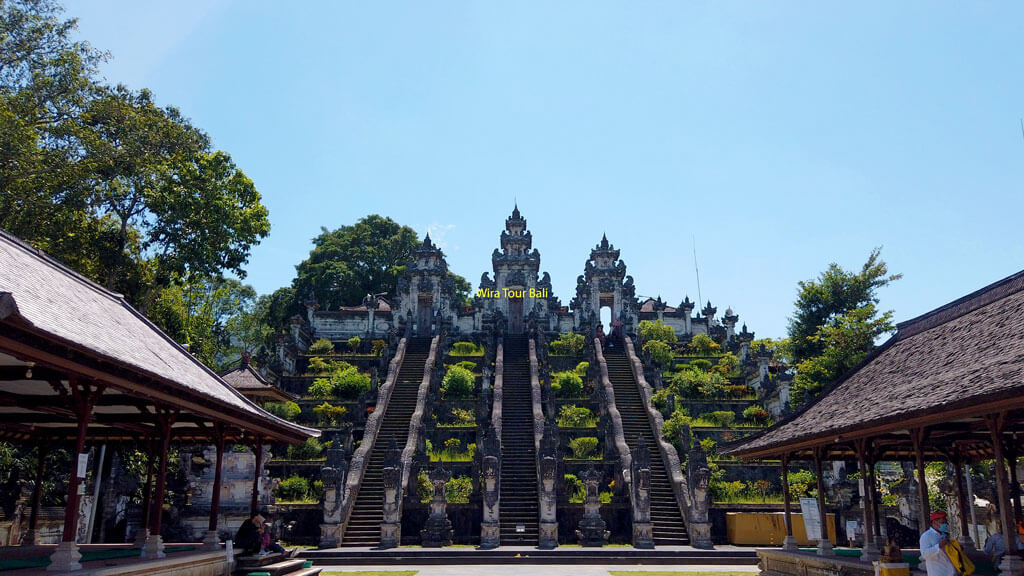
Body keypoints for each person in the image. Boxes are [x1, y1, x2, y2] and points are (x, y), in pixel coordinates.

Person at [920, 510, 957, 576]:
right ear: (934, 522)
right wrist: (938, 546)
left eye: (945, 522)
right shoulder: (926, 536)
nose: (945, 525)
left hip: (951, 572)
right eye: (942, 522)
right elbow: (924, 554)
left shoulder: (945, 535)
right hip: (937, 572)